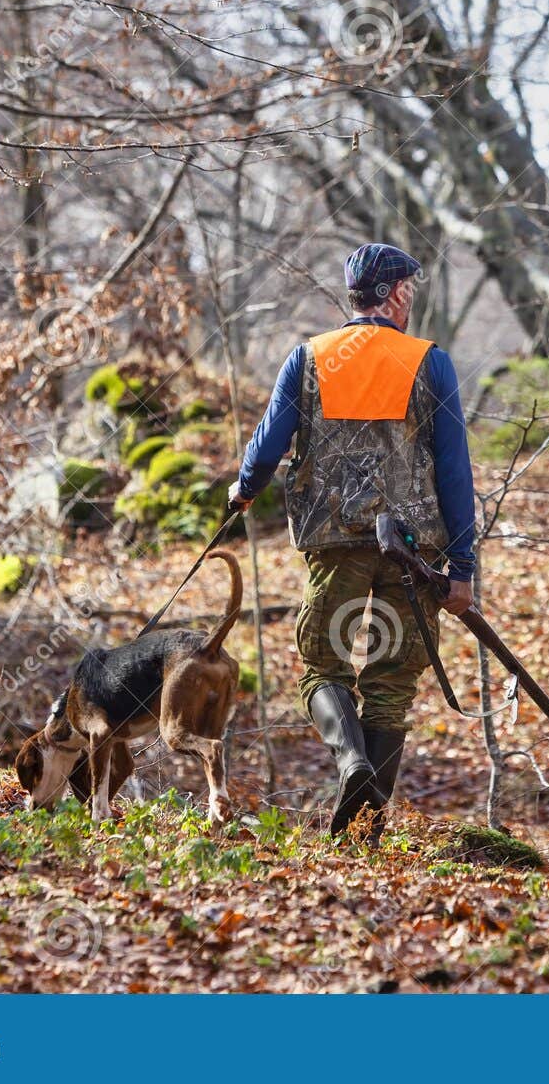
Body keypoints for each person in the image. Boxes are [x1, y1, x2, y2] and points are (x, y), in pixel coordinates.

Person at [228, 243, 475, 837]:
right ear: (395, 293)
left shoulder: (309, 358)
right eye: (410, 288)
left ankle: (351, 762)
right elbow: (454, 469)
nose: (413, 299)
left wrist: (244, 490)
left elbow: (267, 447)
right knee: (391, 682)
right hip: (413, 554)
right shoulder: (430, 362)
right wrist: (463, 567)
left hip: (336, 543)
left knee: (323, 665)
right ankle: (365, 831)